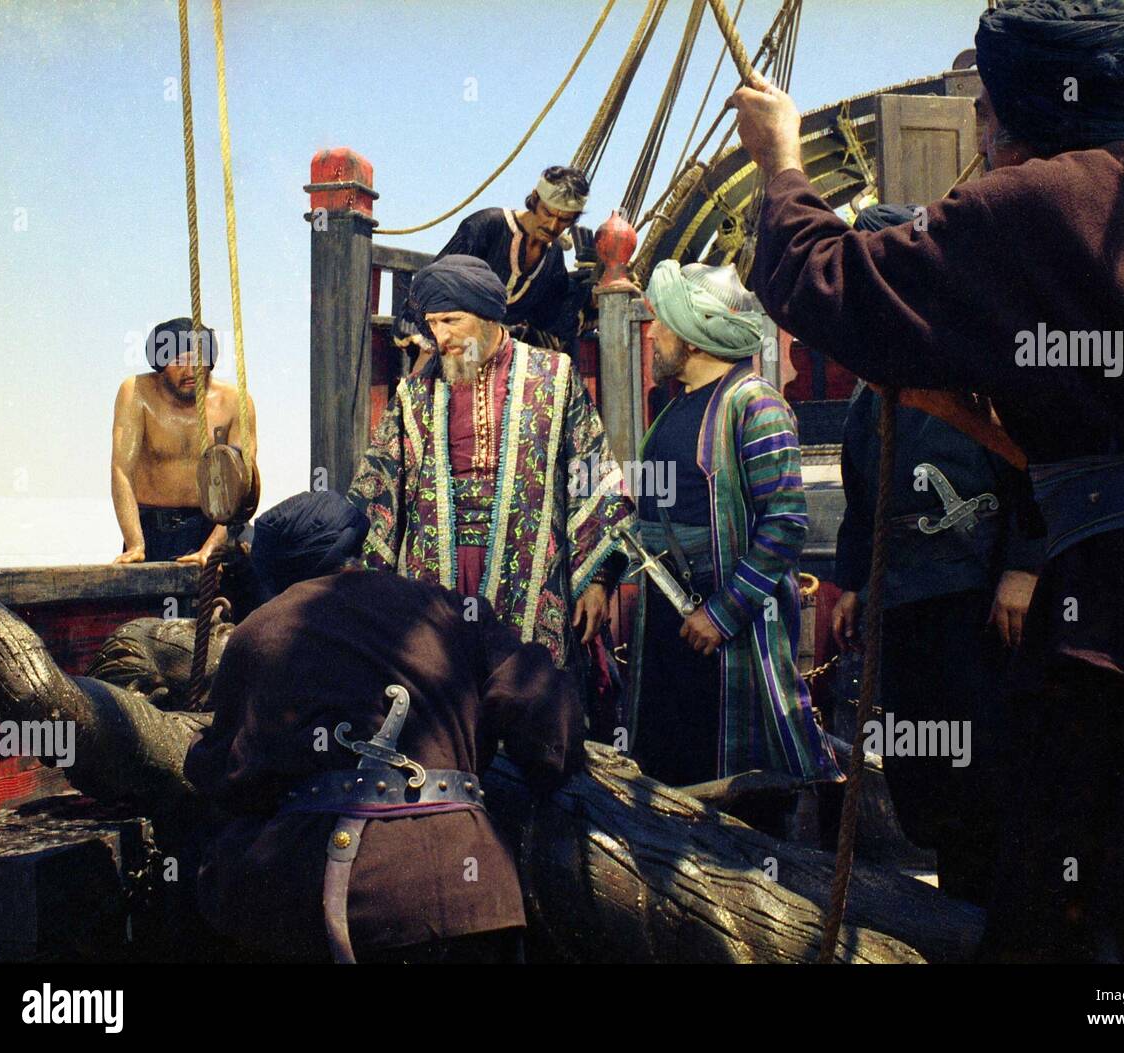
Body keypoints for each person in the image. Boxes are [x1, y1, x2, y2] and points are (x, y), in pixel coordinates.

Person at [732, 0, 1124, 962]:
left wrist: (780, 161)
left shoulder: (1029, 208)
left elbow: (830, 283)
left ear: (1011, 116)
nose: (979, 130)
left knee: (1087, 905)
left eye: (986, 107)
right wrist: (975, 419)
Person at [184, 492, 584, 963]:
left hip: (334, 908)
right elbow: (546, 716)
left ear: (279, 573)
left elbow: (224, 779)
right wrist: (536, 771)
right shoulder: (447, 607)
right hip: (471, 896)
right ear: (356, 550)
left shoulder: (259, 632)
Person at [832, 205, 1043, 904]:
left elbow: (1034, 467)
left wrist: (1026, 563)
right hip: (907, 605)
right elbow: (865, 500)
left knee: (992, 767)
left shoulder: (976, 362)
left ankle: (1002, 914)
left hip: (978, 600)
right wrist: (856, 584)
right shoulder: (873, 396)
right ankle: (957, 906)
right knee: (927, 771)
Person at [348, 255, 635, 680]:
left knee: (526, 705)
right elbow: (376, 491)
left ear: (485, 315)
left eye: (451, 321)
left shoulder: (554, 378)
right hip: (435, 578)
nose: (440, 337)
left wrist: (598, 582)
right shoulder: (415, 394)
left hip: (531, 575)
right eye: (433, 324)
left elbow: (595, 477)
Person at [625, 261, 837, 787]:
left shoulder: (756, 405)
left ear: (696, 336)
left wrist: (723, 613)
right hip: (668, 637)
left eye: (665, 323)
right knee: (673, 779)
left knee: (747, 793)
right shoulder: (669, 414)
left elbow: (785, 524)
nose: (653, 334)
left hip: (727, 639)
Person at [111, 317, 257, 566]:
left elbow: (244, 483)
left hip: (215, 527)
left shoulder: (234, 401)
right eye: (178, 361)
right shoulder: (136, 392)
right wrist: (135, 542)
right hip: (152, 532)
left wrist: (212, 546)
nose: (190, 371)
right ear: (160, 365)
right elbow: (121, 470)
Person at [424, 165, 592, 352]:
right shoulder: (488, 225)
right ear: (535, 199)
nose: (552, 226)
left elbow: (550, 312)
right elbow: (437, 282)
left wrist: (589, 296)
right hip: (463, 341)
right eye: (548, 213)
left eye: (564, 220)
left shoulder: (553, 255)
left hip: (508, 347)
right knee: (451, 372)